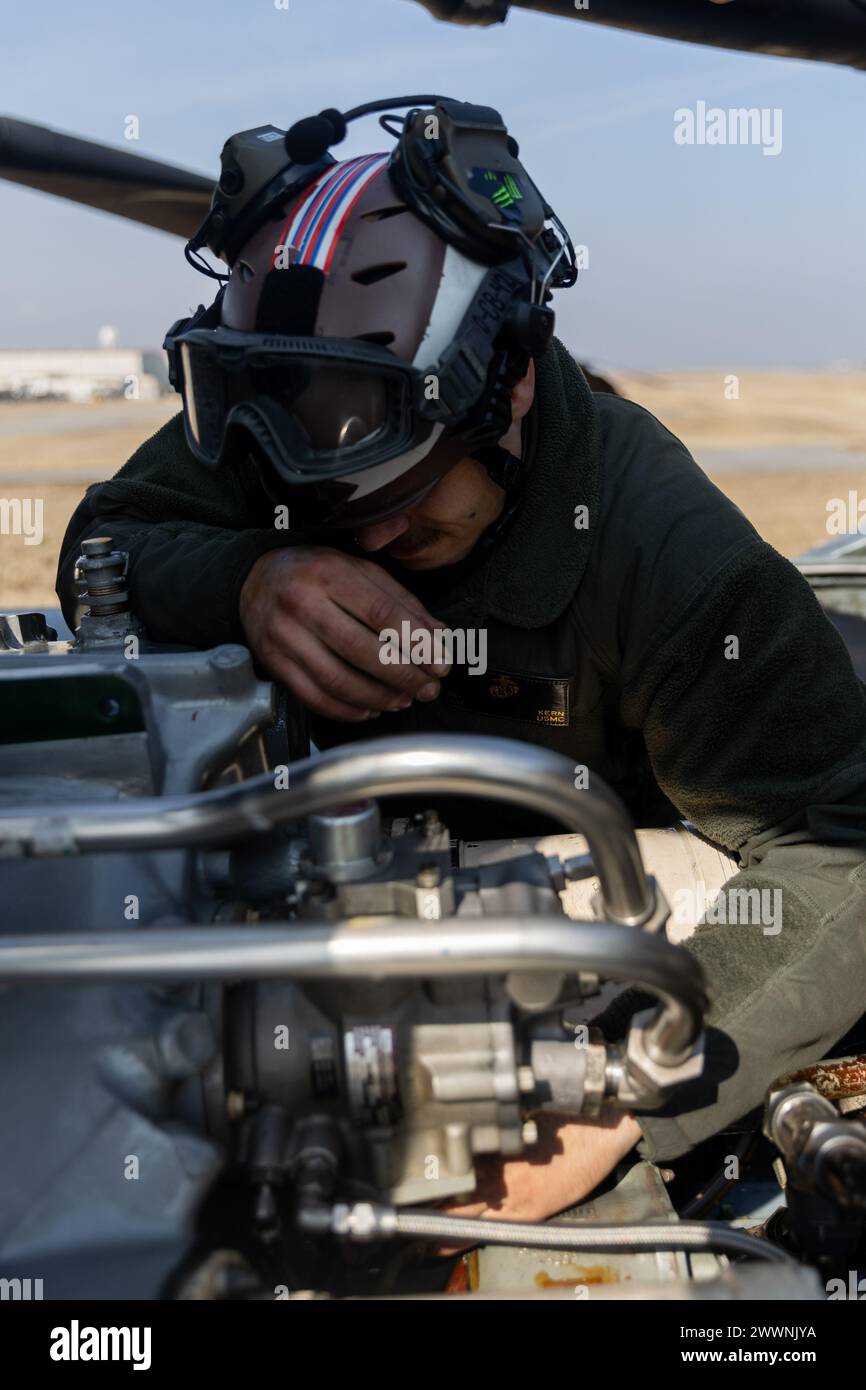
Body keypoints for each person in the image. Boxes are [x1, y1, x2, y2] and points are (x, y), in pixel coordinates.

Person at [57, 136, 866, 1228]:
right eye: (332, 507)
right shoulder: (289, 392)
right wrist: (247, 578)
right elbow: (109, 539)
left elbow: (837, 853)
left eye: (414, 493)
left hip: (605, 938)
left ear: (511, 386)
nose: (372, 531)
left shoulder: (670, 553)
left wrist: (623, 1088)